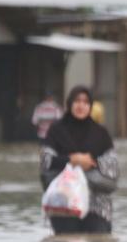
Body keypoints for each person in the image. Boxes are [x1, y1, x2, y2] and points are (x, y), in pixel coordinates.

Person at [40, 85, 119, 234]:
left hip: (97, 206)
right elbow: (46, 161)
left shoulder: (101, 133)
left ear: (90, 105)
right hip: (63, 203)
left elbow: (113, 167)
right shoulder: (56, 130)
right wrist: (72, 160)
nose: (81, 105)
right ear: (69, 103)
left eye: (85, 102)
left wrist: (90, 163)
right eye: (77, 101)